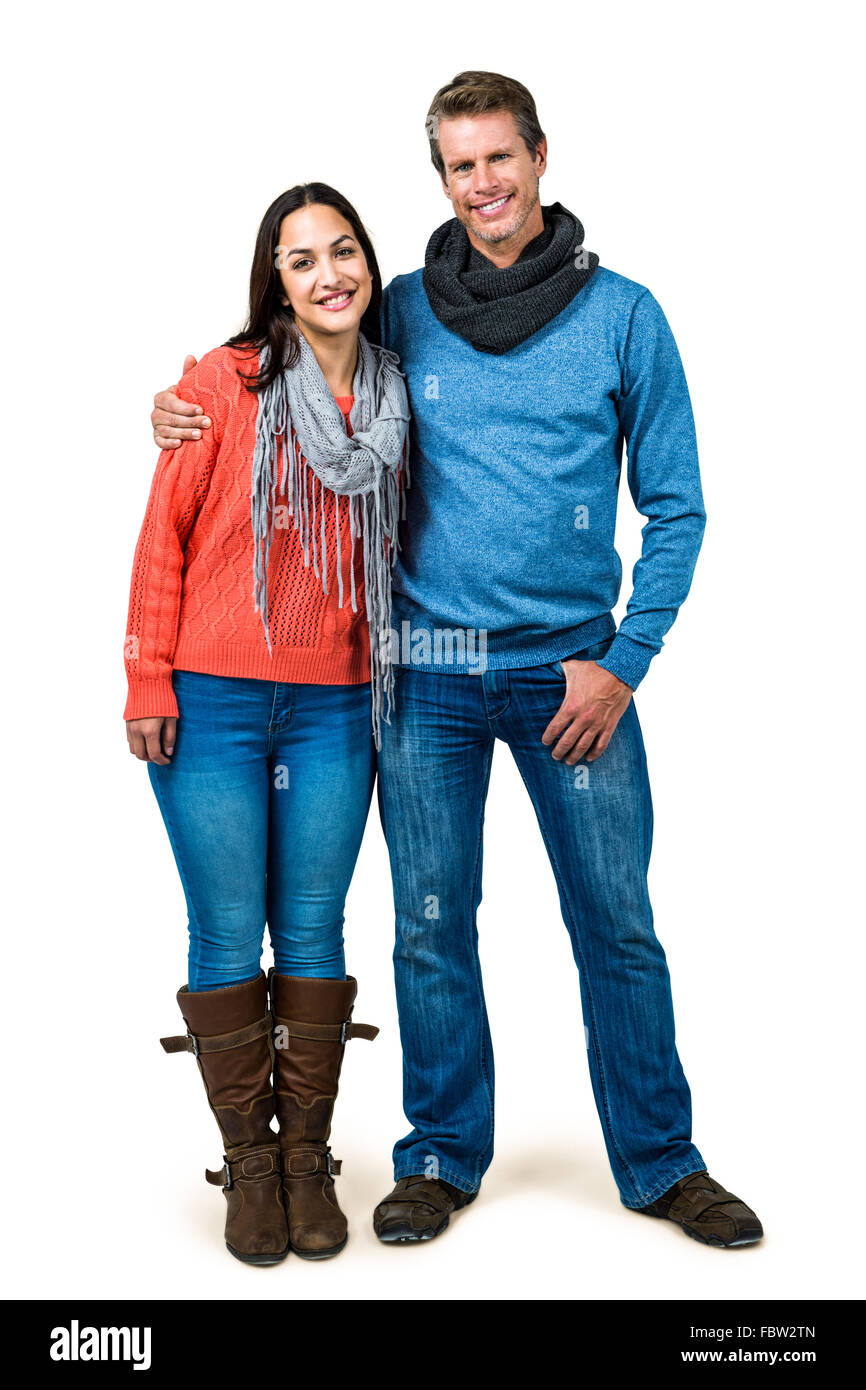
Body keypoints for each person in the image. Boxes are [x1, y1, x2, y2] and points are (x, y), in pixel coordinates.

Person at [151, 72, 763, 1250]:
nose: (482, 184)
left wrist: (623, 661)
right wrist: (178, 401)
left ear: (539, 157)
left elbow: (676, 508)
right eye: (458, 166)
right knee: (430, 924)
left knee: (616, 923)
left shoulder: (624, 314)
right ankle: (437, 1153)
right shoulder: (399, 309)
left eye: (499, 159)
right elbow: (285, 358)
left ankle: (659, 1160)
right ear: (438, 178)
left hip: (571, 678)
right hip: (420, 671)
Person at [125, 182, 408, 1264]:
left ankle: (306, 1159)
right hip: (215, 700)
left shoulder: (394, 392)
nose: (328, 273)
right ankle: (250, 1159)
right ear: (274, 281)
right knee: (224, 929)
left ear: (368, 266)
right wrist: (147, 678)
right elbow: (166, 533)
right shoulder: (224, 382)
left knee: (316, 927)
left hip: (337, 702)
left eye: (345, 251)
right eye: (301, 260)